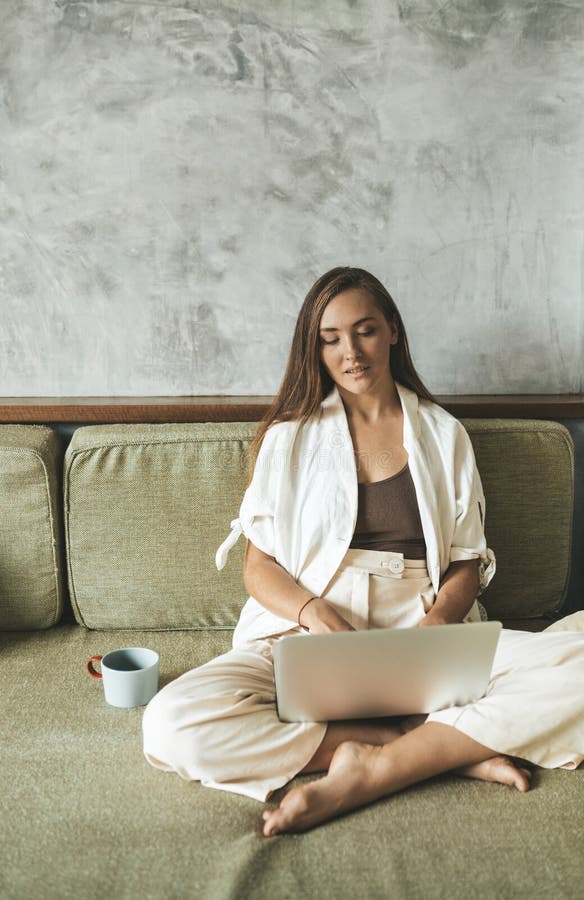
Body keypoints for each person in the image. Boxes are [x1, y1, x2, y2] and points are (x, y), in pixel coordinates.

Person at [142, 266, 584, 836]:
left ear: (393, 331)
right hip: (310, 633)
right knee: (171, 723)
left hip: (423, 624)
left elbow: (467, 563)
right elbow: (259, 567)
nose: (350, 351)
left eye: (365, 330)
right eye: (330, 339)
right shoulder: (289, 437)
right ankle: (420, 742)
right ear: (315, 348)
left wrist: (439, 623)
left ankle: (378, 768)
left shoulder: (445, 434)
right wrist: (312, 613)